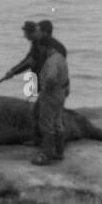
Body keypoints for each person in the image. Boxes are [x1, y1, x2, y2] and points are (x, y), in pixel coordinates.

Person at [0, 20, 70, 143]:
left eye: (37, 31)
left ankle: (47, 147)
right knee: (50, 117)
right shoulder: (38, 44)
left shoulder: (55, 51)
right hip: (53, 87)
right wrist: (13, 71)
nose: (26, 36)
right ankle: (51, 145)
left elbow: (49, 70)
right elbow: (29, 60)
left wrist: (45, 92)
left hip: (53, 89)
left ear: (44, 32)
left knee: (45, 117)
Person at [32, 36, 70, 165]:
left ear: (44, 47)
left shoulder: (51, 61)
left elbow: (51, 77)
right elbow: (65, 77)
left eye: (40, 48)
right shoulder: (60, 58)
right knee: (58, 123)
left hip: (51, 95)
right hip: (61, 94)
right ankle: (59, 152)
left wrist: (45, 90)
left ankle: (46, 155)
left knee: (46, 125)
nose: (39, 50)